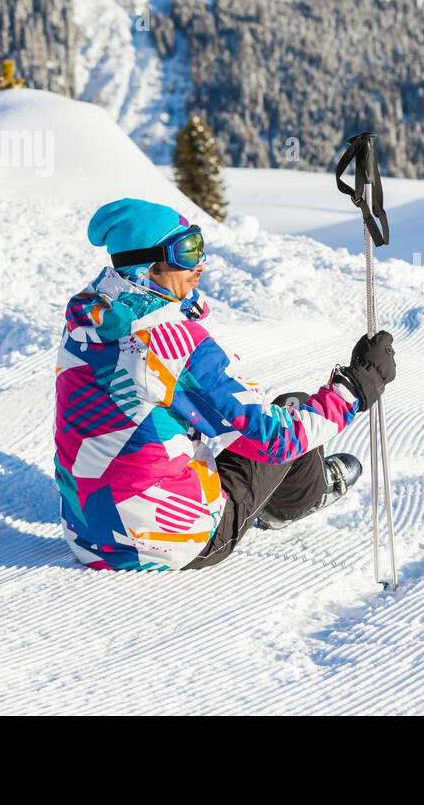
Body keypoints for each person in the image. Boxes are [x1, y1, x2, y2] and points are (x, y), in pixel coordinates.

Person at [53, 197, 397, 570]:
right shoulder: (172, 343)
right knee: (292, 410)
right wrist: (357, 387)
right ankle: (297, 500)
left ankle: (274, 494)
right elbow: (273, 439)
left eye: (198, 244)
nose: (200, 262)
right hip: (170, 543)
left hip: (86, 535)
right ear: (147, 267)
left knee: (204, 428)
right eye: (185, 251)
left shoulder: (89, 320)